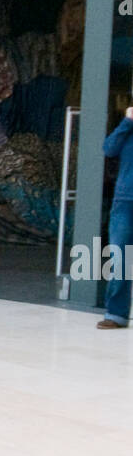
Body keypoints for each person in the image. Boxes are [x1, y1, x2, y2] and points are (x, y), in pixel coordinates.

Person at [98, 105, 133, 330]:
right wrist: (127, 121)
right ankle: (116, 314)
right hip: (125, 201)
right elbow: (109, 149)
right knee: (120, 257)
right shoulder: (128, 128)